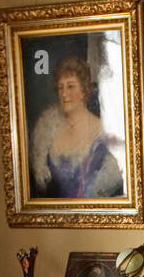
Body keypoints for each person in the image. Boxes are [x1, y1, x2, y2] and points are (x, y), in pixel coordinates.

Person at [29, 56, 124, 199]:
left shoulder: (102, 132)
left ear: (84, 91)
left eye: (70, 86)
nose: (64, 93)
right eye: (60, 87)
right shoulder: (48, 130)